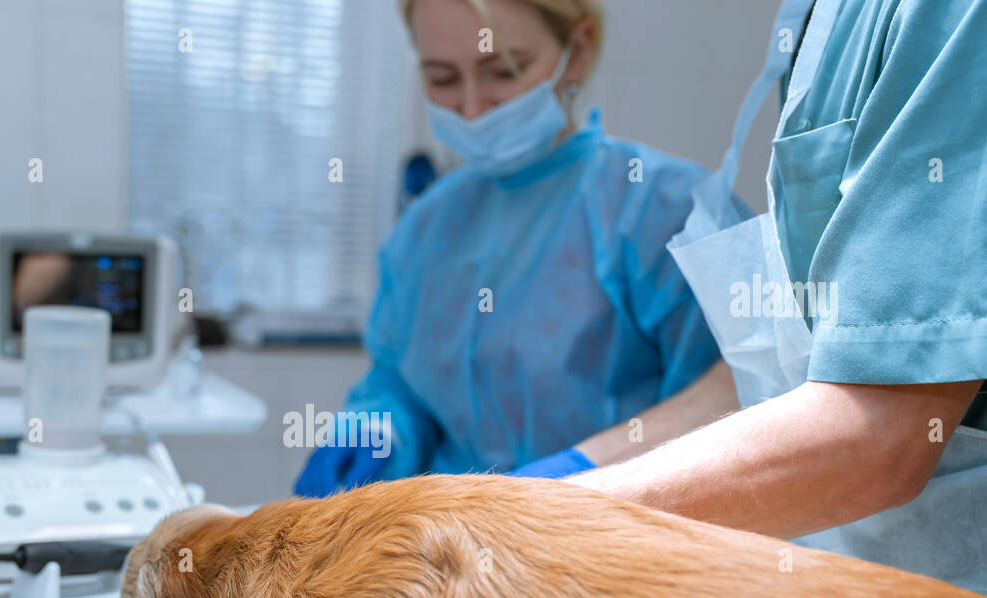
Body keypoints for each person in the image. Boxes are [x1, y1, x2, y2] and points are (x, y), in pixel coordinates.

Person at [520, 0, 987, 594]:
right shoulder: (819, 21)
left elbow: (884, 429)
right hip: (845, 576)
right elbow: (779, 376)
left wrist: (540, 519)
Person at [294, 0, 729, 496]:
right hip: (447, 545)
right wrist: (379, 429)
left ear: (578, 50)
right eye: (442, 79)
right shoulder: (425, 227)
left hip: (617, 546)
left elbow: (732, 411)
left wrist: (582, 477)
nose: (474, 109)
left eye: (503, 71)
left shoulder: (666, 213)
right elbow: (402, 381)